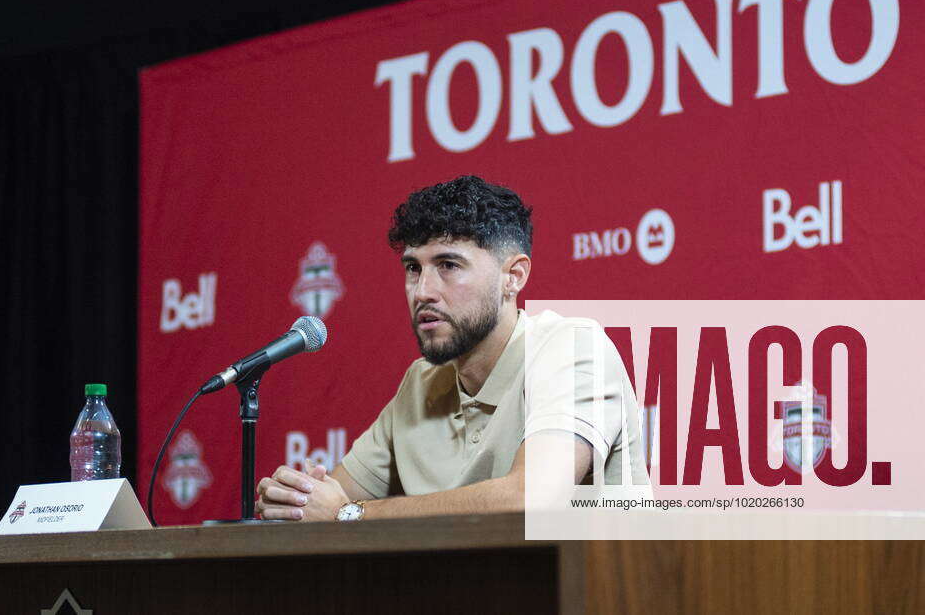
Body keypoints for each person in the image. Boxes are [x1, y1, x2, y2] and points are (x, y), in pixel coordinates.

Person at [256, 175, 649, 522]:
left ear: (513, 276)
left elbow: (534, 500)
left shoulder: (574, 347)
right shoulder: (420, 383)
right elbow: (329, 500)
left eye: (448, 265)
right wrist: (293, 501)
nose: (423, 291)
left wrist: (349, 514)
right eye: (413, 268)